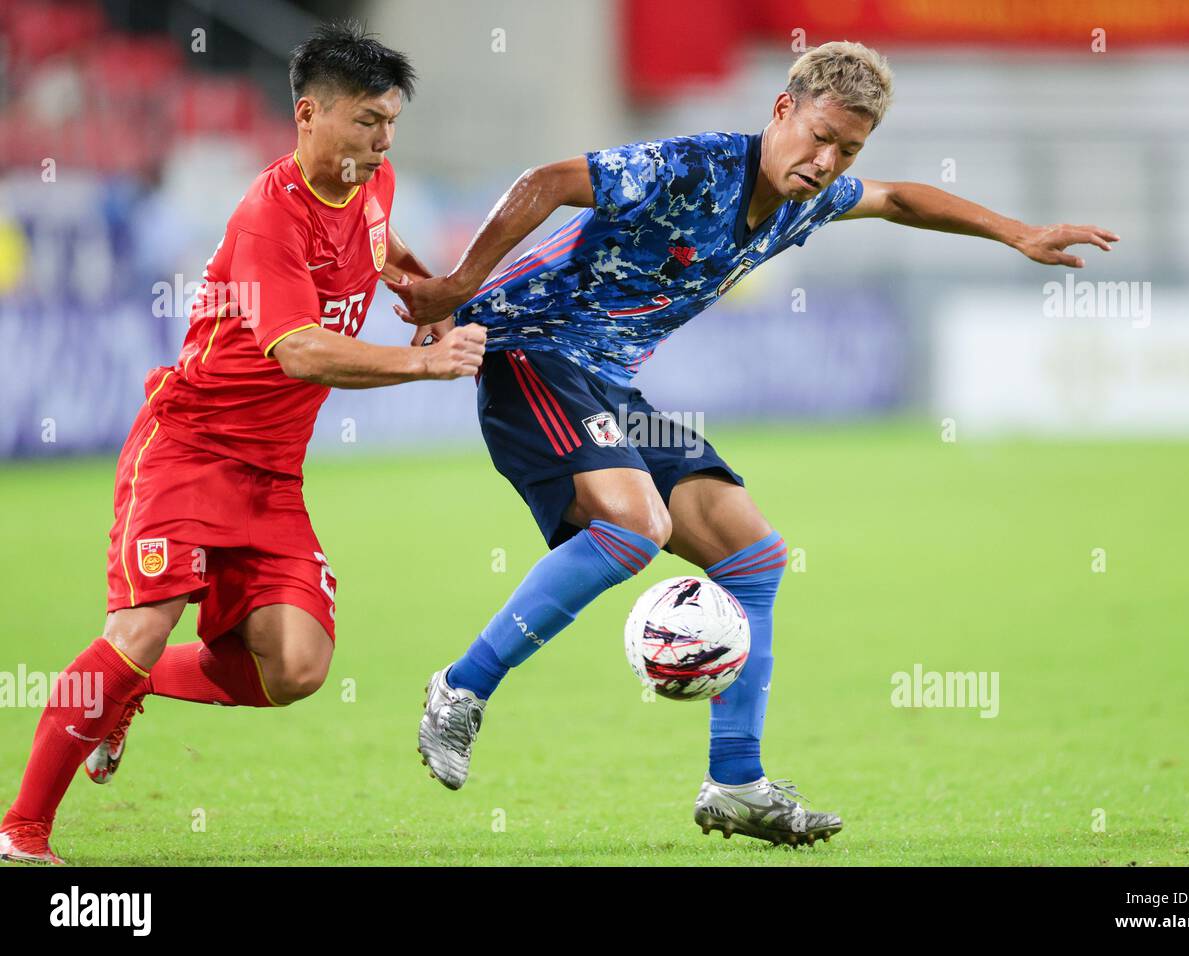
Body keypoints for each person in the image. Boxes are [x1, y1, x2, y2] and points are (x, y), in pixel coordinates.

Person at [389, 40, 1118, 846]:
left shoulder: (812, 197)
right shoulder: (695, 166)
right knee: (634, 528)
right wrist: (459, 285)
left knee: (752, 554)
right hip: (532, 350)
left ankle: (736, 782)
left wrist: (1017, 234)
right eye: (819, 136)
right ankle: (460, 689)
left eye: (848, 149)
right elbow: (549, 183)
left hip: (611, 385)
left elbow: (902, 200)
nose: (827, 159)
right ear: (781, 110)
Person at [0, 22, 485, 865]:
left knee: (294, 668)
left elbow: (382, 245)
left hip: (272, 476)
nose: (383, 142)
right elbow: (298, 348)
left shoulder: (372, 181)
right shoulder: (270, 213)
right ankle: (22, 830)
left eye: (391, 123)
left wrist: (424, 292)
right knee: (140, 627)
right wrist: (425, 362)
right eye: (368, 122)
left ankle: (125, 693)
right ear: (310, 115)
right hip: (190, 449)